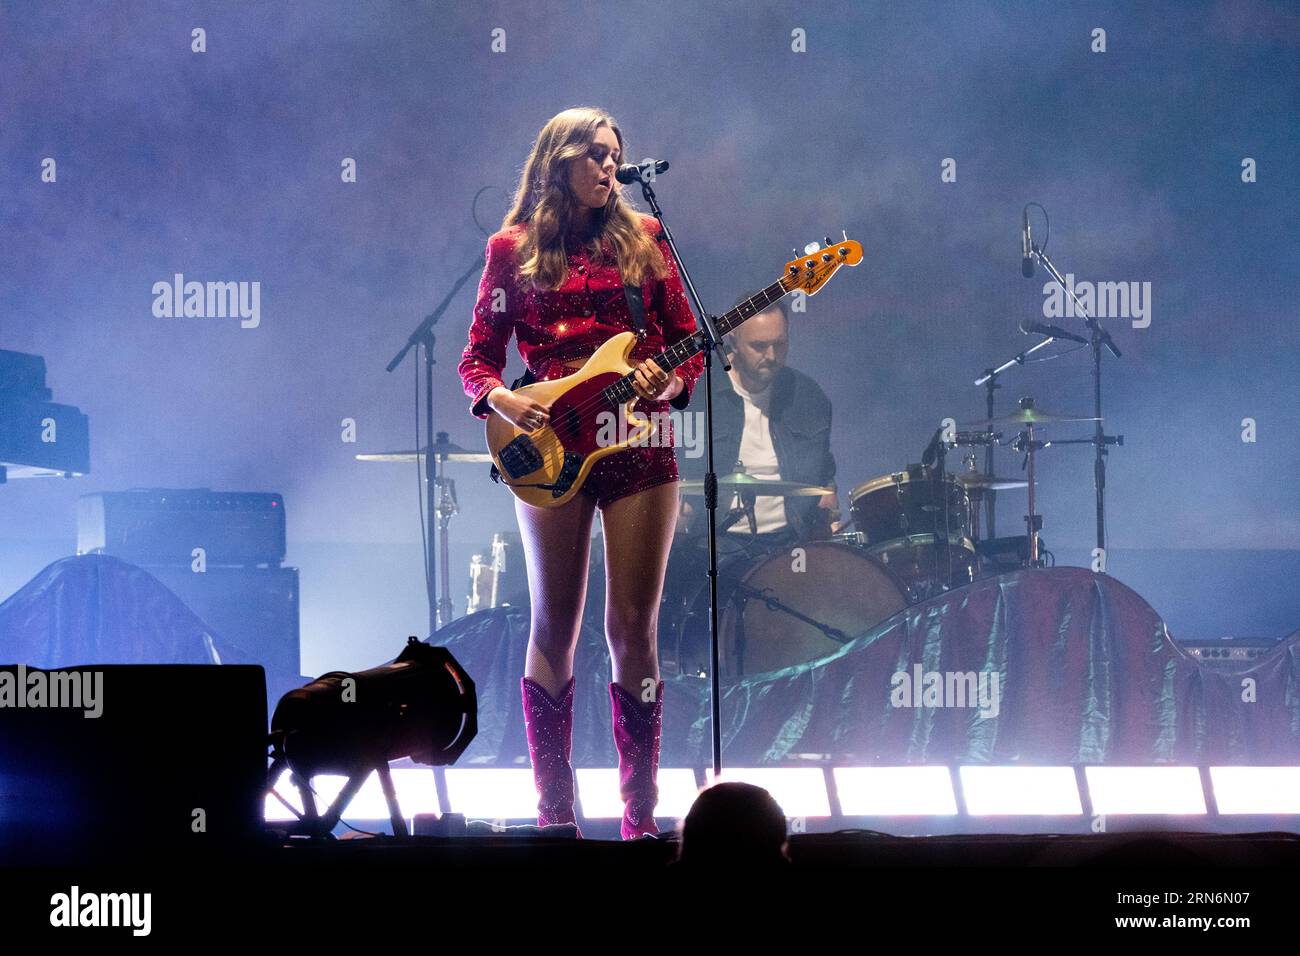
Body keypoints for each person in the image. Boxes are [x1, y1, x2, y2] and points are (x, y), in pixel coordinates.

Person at [458, 107, 703, 839]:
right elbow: (477, 357)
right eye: (595, 154)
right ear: (557, 160)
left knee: (635, 626)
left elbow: (687, 340)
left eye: (615, 155)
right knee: (553, 625)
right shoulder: (512, 249)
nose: (608, 167)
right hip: (552, 445)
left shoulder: (647, 240)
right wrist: (501, 398)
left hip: (638, 444)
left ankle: (639, 820)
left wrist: (673, 382)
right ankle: (555, 817)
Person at [678, 296, 843, 554]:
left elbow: (824, 477)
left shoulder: (809, 396)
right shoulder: (699, 395)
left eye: (780, 344)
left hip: (792, 542)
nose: (771, 355)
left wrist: (829, 513)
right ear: (732, 339)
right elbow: (678, 480)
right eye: (759, 346)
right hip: (718, 544)